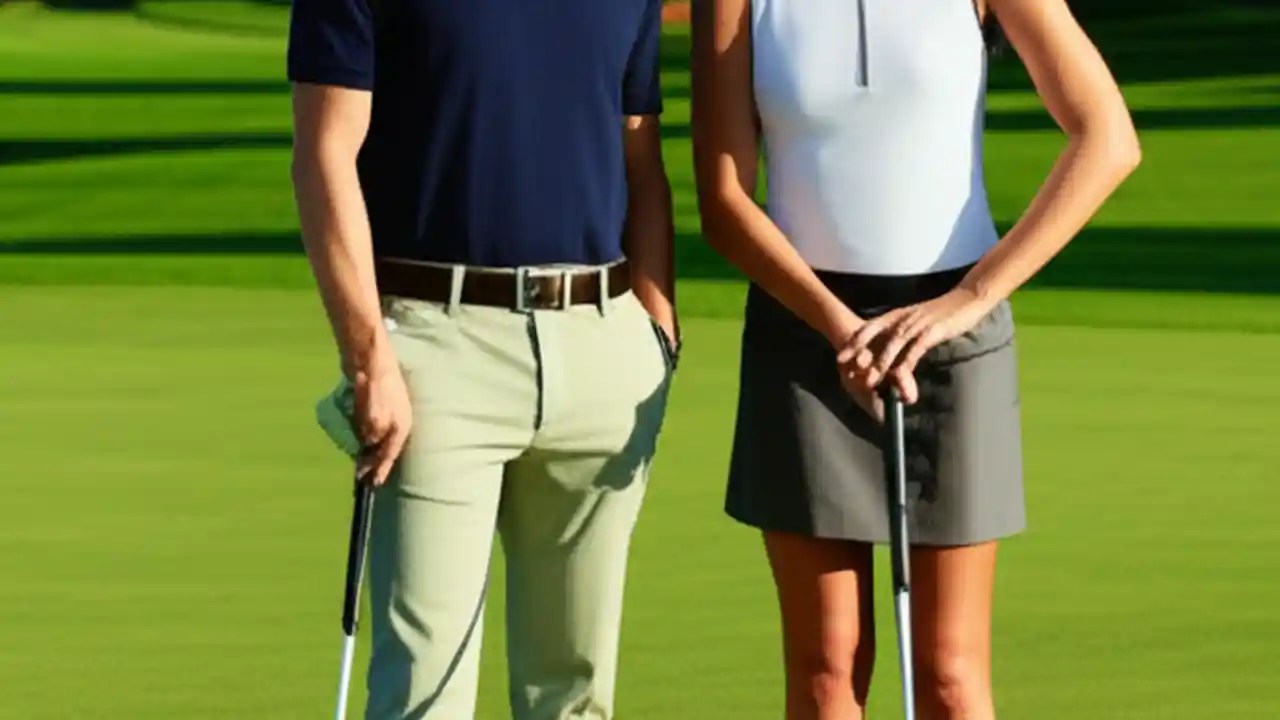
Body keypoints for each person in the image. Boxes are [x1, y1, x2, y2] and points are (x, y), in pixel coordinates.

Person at [691, 0, 1139, 717]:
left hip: (954, 336)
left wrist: (970, 298)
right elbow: (723, 200)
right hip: (803, 329)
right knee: (826, 669)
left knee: (950, 675)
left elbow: (1108, 138)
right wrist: (841, 329)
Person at [286, 0, 680, 716]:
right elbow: (324, 154)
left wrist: (656, 331)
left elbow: (641, 158)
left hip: (603, 347)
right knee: (423, 691)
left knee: (576, 693)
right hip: (437, 350)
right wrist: (369, 357)